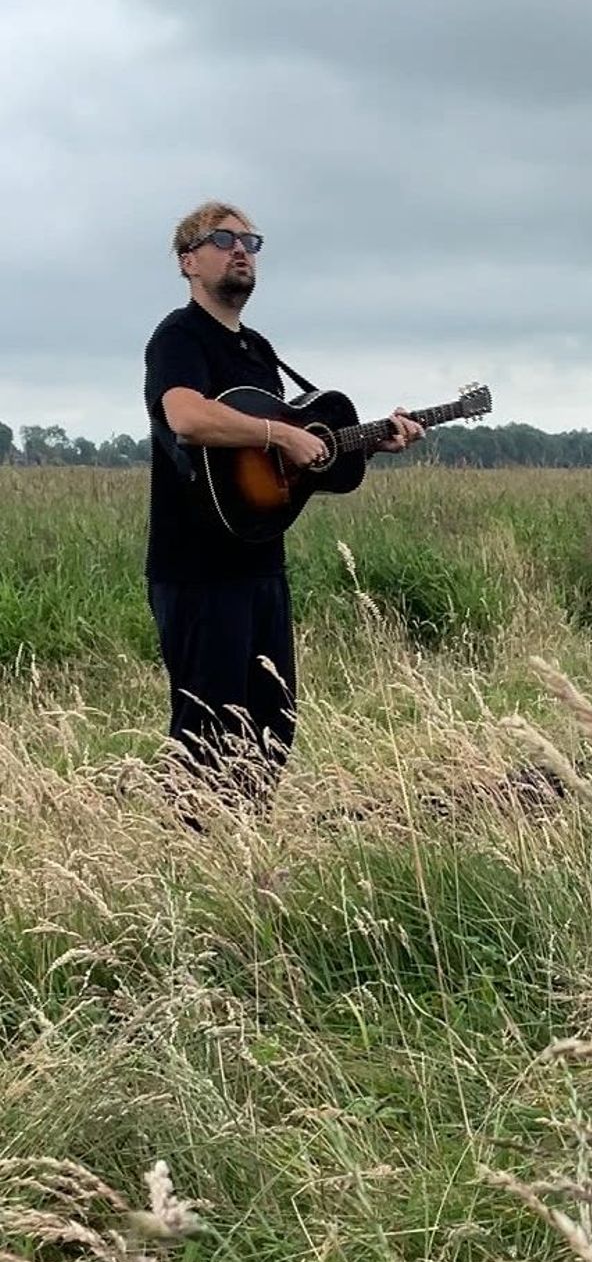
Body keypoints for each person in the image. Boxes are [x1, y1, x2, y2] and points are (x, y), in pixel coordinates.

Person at [143, 200, 423, 826]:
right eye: (223, 240)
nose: (241, 251)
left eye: (251, 242)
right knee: (207, 726)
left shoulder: (258, 349)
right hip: (195, 567)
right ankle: (187, 853)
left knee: (272, 719)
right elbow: (186, 416)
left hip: (260, 560)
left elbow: (287, 460)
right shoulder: (178, 337)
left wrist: (366, 442)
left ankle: (246, 843)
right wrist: (280, 434)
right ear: (188, 262)